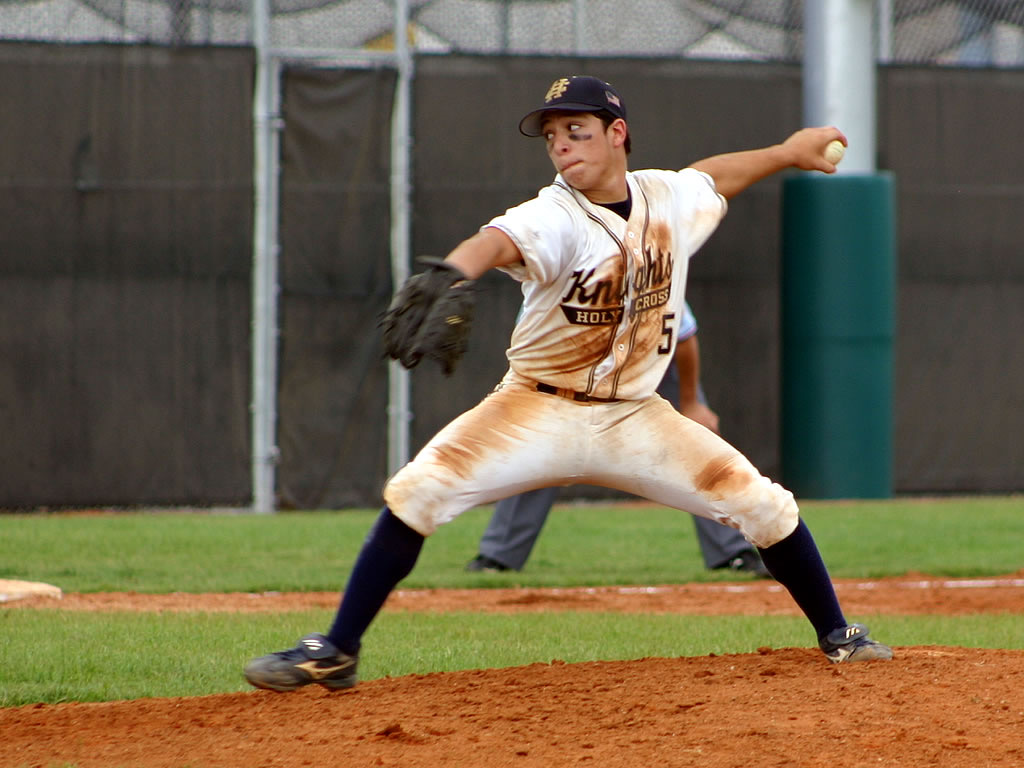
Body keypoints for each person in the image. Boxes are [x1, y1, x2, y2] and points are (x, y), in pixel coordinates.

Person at [244, 74, 893, 693]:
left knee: (762, 504)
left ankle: (839, 634)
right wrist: (451, 272)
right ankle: (336, 653)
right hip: (536, 408)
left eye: (576, 130)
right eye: (551, 134)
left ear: (618, 133)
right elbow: (495, 241)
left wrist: (786, 152)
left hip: (636, 417)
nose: (560, 145)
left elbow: (715, 177)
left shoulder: (668, 197)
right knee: (419, 490)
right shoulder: (552, 215)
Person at [466, 301, 769, 576]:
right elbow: (530, 355)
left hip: (649, 361)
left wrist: (690, 402)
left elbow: (684, 337)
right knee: (540, 447)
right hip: (578, 364)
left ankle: (733, 552)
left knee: (700, 448)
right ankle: (498, 557)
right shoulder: (553, 281)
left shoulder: (649, 272)